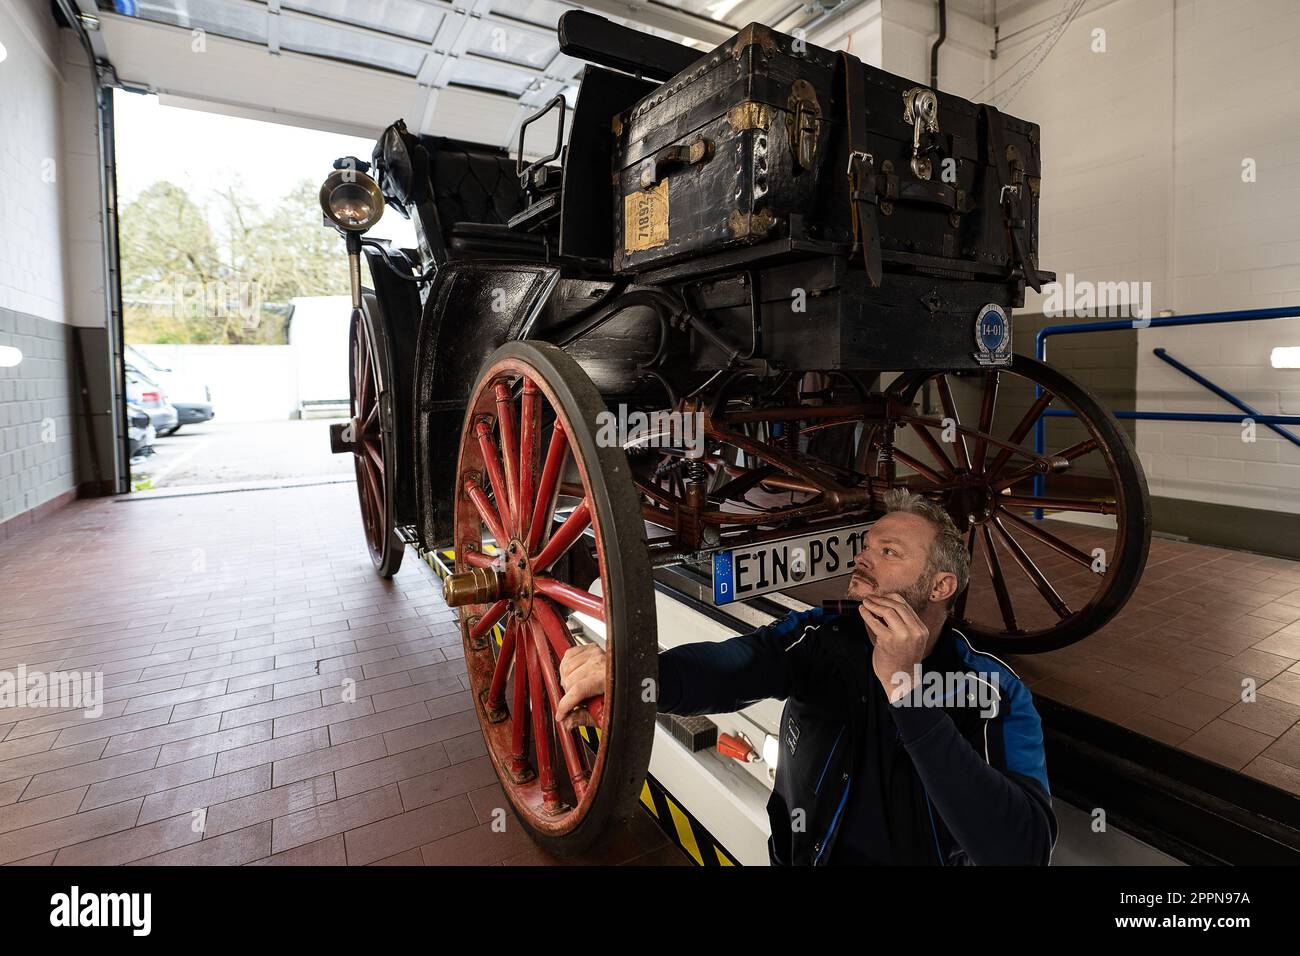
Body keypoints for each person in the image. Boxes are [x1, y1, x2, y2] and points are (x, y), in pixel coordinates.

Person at [557, 488, 1057, 865]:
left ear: (941, 585)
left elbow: (1022, 850)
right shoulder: (821, 637)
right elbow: (738, 665)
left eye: (889, 552)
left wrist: (906, 693)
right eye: (866, 546)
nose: (862, 557)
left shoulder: (995, 692)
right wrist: (636, 677)